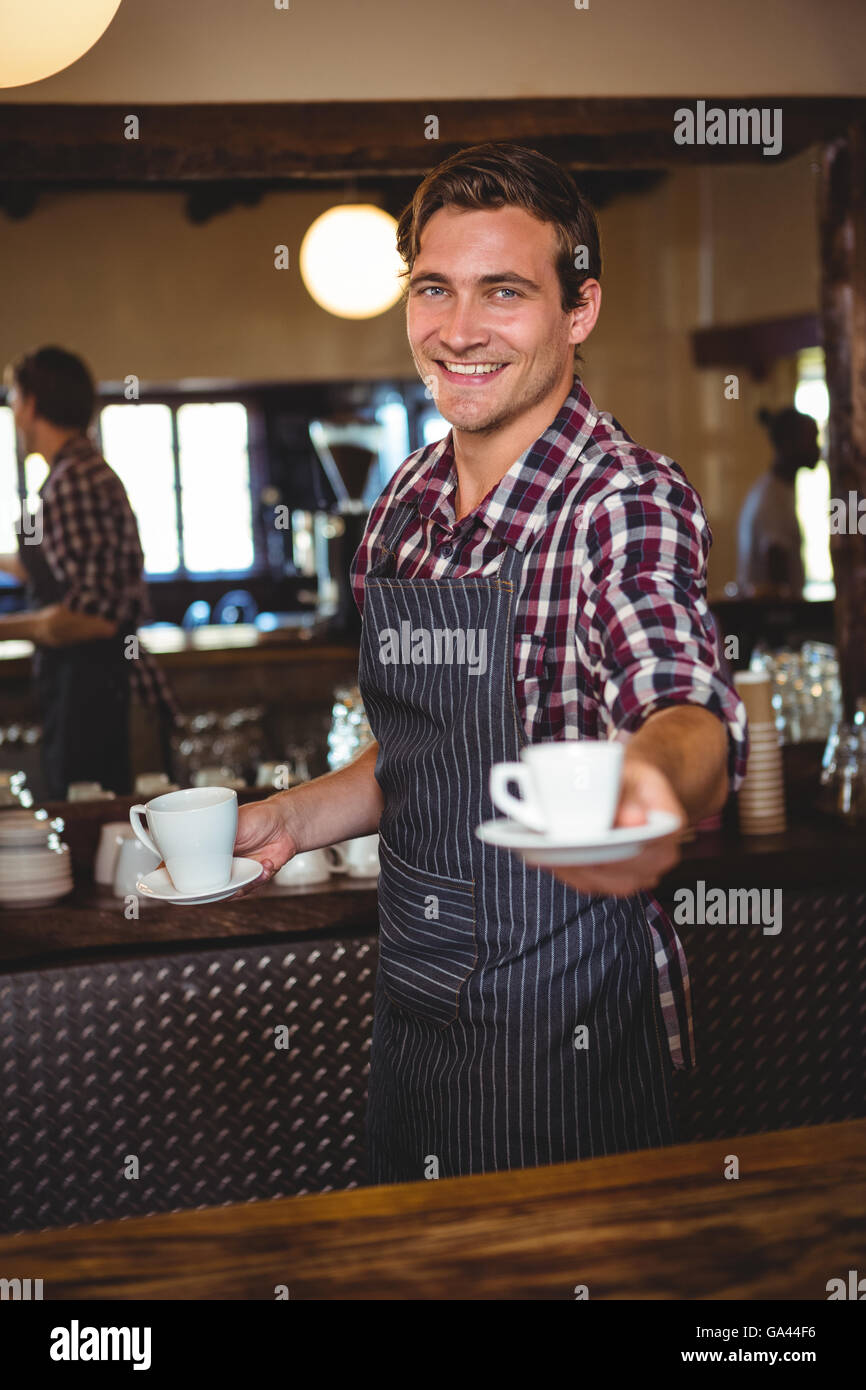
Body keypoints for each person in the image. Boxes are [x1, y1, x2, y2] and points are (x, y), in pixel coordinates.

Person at [235, 143, 749, 1182]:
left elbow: (683, 703)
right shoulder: (402, 505)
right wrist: (294, 816)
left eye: (503, 292)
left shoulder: (622, 499)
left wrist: (649, 789)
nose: (458, 331)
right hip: (414, 1017)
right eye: (434, 289)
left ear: (578, 310)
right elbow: (426, 755)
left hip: (571, 1025)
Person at [0, 346, 176, 799]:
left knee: (99, 832)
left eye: (14, 396)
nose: (12, 408)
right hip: (81, 691)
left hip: (100, 696)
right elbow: (55, 574)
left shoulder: (75, 481)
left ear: (33, 402)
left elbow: (92, 616)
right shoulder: (73, 475)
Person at [736, 406, 821, 597]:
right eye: (812, 439)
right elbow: (777, 584)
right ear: (787, 443)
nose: (818, 448)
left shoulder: (777, 491)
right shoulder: (772, 500)